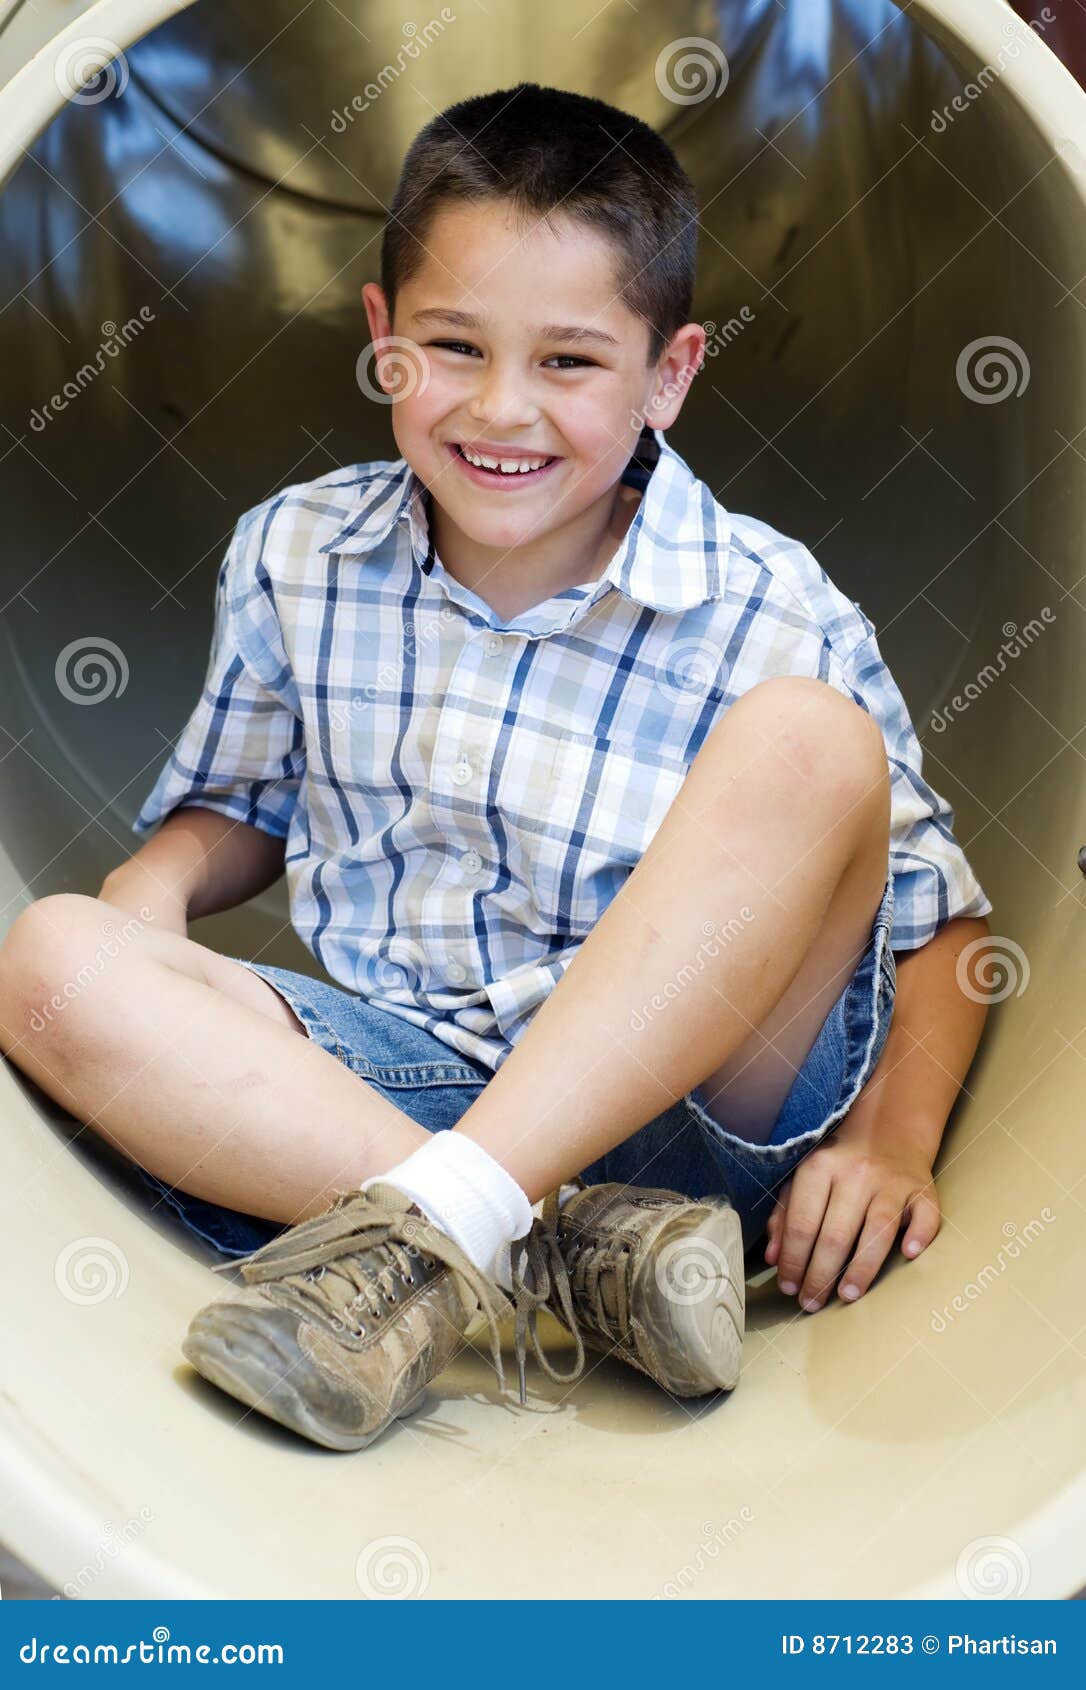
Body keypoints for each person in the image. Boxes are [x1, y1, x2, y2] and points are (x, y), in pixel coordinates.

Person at [0, 82, 993, 1453]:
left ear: (671, 373)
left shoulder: (767, 600)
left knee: (807, 739)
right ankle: (559, 1251)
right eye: (453, 346)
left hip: (704, 1116)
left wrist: (891, 1135)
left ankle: (460, 1225)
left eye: (571, 363)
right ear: (381, 342)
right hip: (395, 1091)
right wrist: (150, 894)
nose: (502, 409)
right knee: (49, 957)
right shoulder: (299, 554)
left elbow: (942, 926)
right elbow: (243, 805)